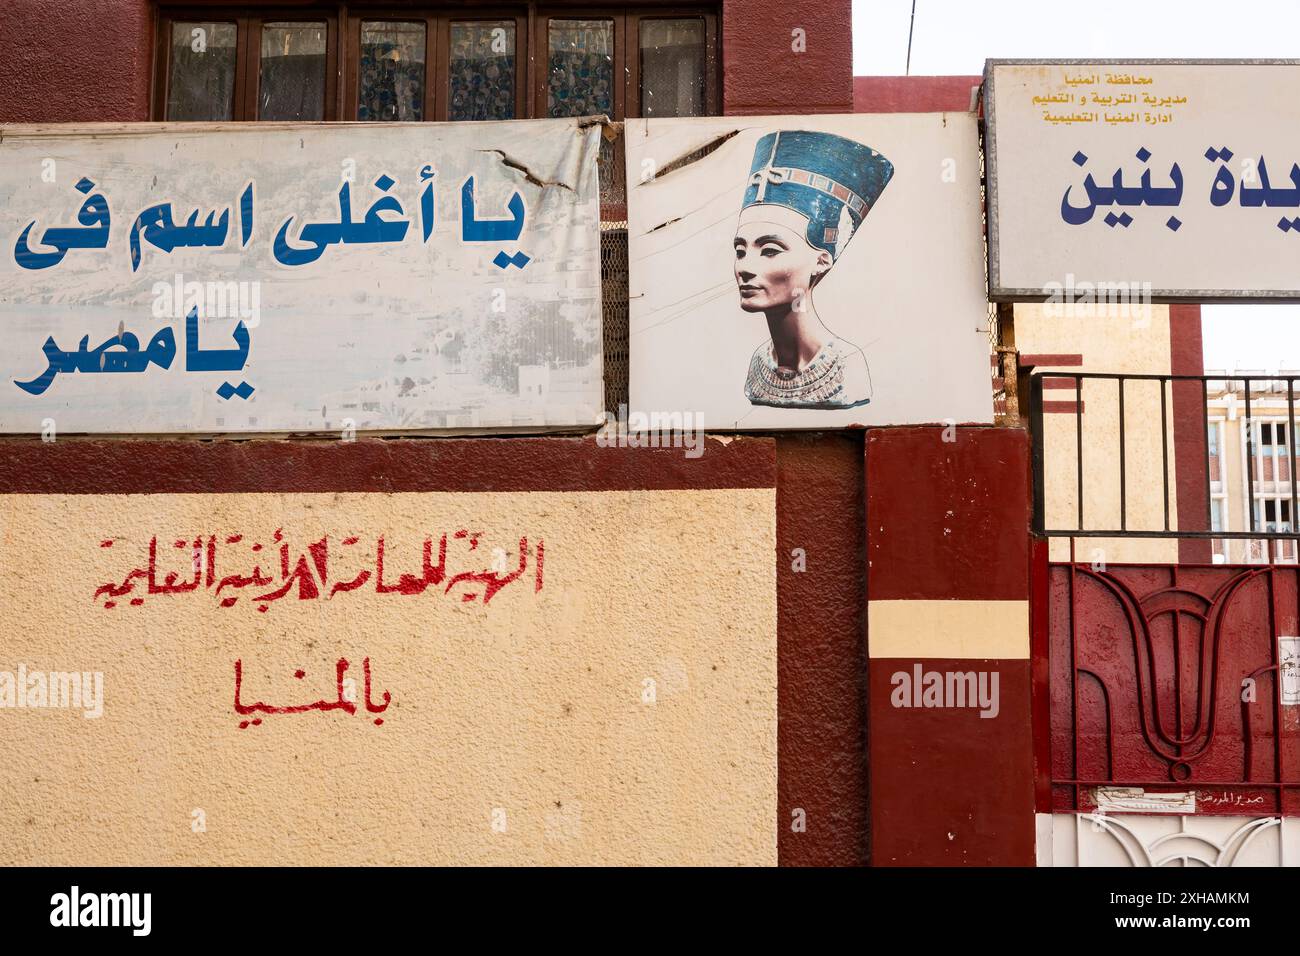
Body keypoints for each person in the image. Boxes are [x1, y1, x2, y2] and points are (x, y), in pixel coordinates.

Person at [735, 130, 893, 410]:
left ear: (821, 260)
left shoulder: (848, 367)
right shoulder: (757, 364)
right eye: (740, 251)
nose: (745, 267)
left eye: (770, 250)